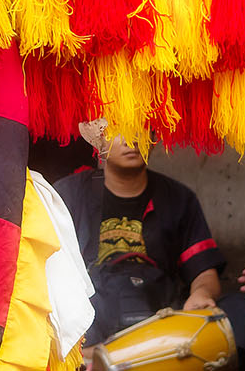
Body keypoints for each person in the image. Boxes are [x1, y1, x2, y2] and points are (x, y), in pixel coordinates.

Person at [55, 123, 225, 345]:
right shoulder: (68, 194)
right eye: (119, 130)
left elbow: (204, 272)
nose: (132, 140)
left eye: (142, 131)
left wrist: (201, 294)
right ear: (100, 139)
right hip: (86, 328)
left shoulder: (178, 198)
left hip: (160, 324)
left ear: (154, 138)